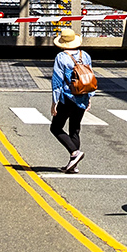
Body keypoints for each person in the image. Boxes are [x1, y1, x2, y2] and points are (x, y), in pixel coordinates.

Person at [50, 27, 95, 174]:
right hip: (82, 96)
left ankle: (75, 152)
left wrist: (54, 102)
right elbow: (90, 77)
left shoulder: (61, 57)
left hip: (68, 97)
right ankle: (73, 165)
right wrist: (89, 98)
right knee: (75, 129)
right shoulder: (85, 55)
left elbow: (57, 82)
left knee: (55, 127)